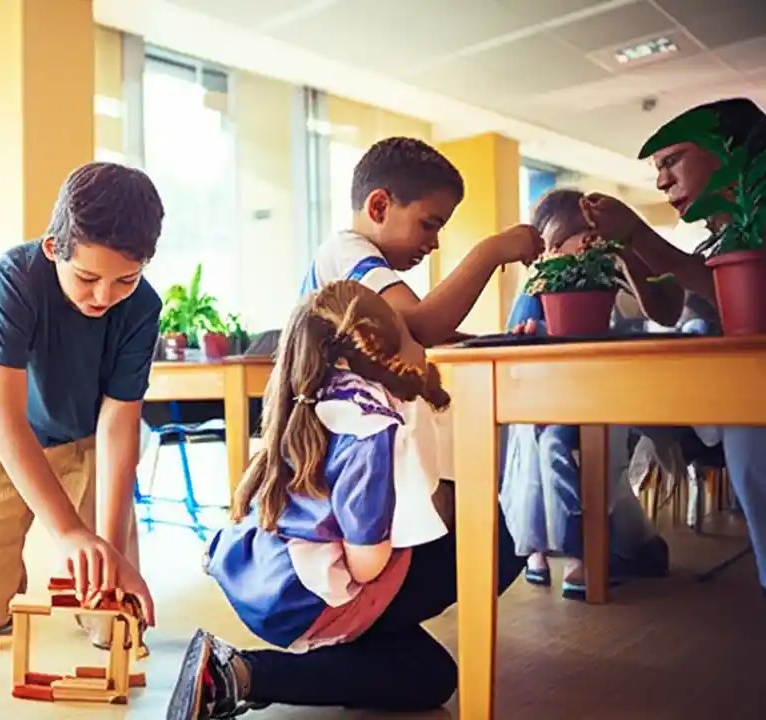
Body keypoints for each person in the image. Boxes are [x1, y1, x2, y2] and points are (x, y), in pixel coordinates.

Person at [167, 281, 525, 719]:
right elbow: (366, 565)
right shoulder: (369, 424)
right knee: (494, 539)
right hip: (310, 598)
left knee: (429, 675)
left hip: (263, 577)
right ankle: (260, 664)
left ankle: (235, 674)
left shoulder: (303, 396)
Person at [0, 161, 164, 637]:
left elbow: (118, 426)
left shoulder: (143, 308)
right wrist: (68, 533)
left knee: (115, 627)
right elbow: (4, 415)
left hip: (83, 437)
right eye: (87, 277)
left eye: (125, 279)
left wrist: (108, 548)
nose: (104, 295)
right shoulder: (13, 277)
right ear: (52, 248)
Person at [582, 97, 766, 597]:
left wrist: (639, 232)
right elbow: (666, 306)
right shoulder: (717, 235)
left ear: (727, 151)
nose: (662, 181)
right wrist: (625, 245)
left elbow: (738, 297)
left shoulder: (755, 225)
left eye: (672, 161)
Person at [501, 189, 677, 598]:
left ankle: (570, 553)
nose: (590, 246)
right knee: (541, 441)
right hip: (545, 394)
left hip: (597, 391)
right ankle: (557, 552)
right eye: (578, 238)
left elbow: (641, 325)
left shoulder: (613, 273)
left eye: (592, 236)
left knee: (556, 444)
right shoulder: (541, 281)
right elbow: (515, 341)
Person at [301, 136, 543, 349]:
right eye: (428, 225)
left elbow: (414, 335)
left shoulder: (347, 256)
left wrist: (499, 342)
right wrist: (491, 251)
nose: (434, 243)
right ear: (379, 207)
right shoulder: (346, 251)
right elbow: (420, 329)